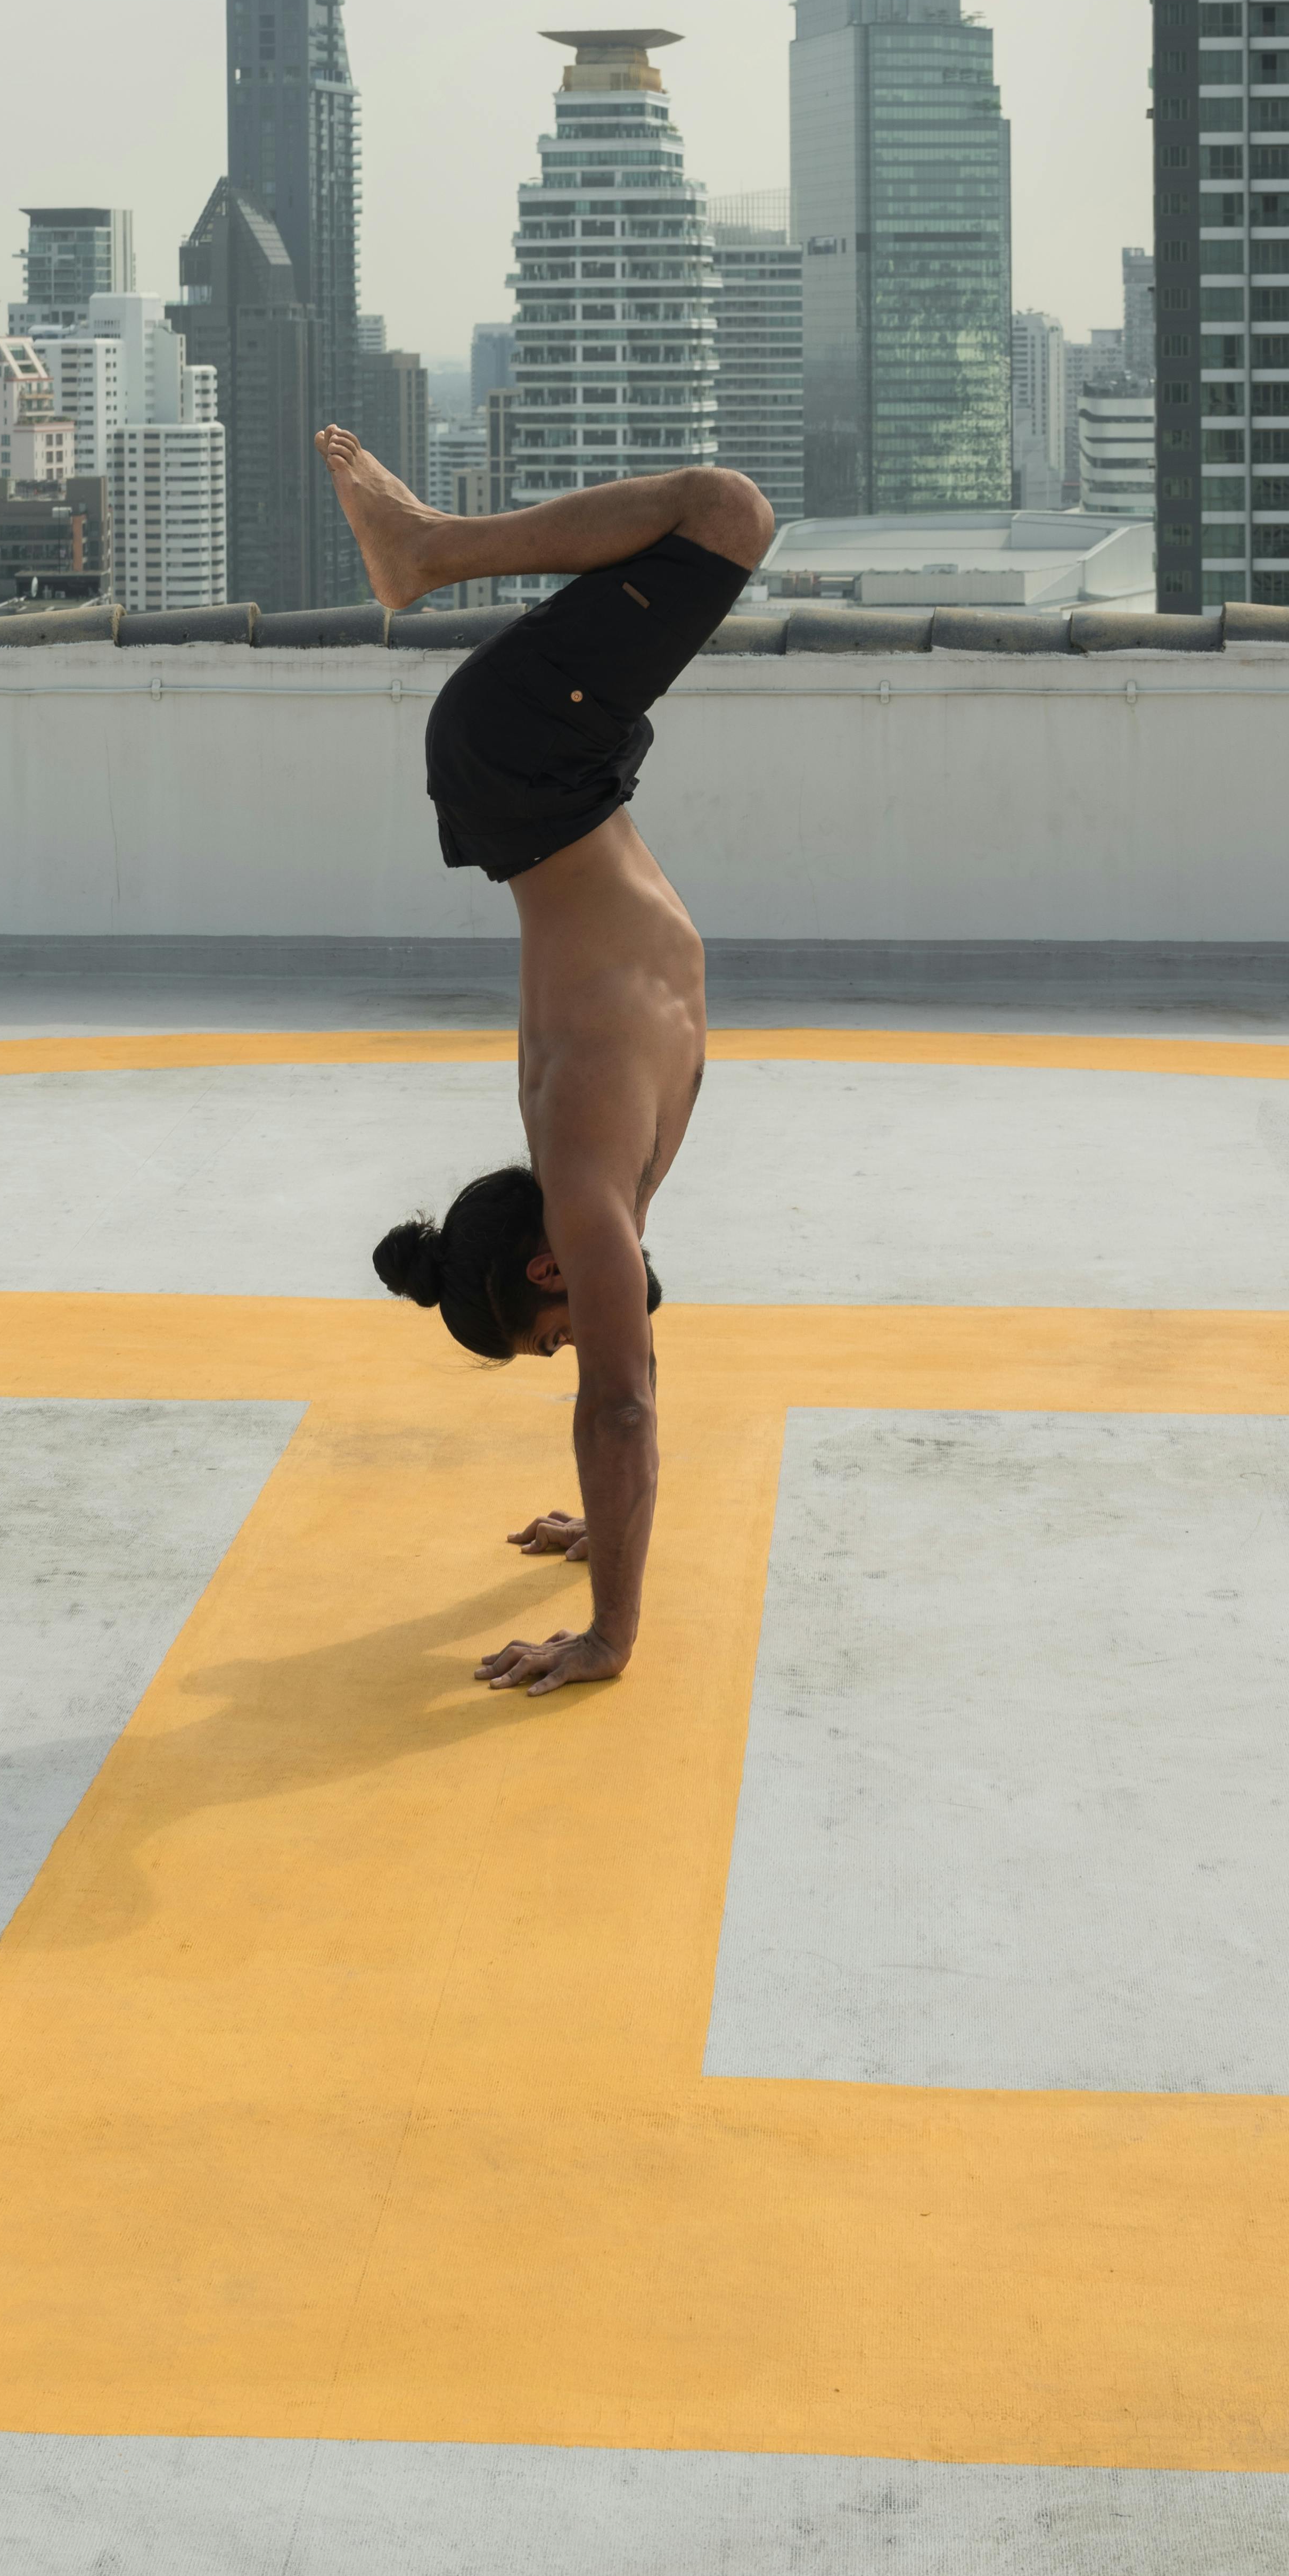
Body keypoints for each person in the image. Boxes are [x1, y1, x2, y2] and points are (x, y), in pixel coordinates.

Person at [315, 425, 776, 1699]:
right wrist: (603, 1525)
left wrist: (608, 1636)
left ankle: (425, 550)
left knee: (725, 510)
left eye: (549, 1334)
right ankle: (423, 549)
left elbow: (620, 1406)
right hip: (533, 781)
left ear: (543, 1268)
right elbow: (628, 1385)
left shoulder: (582, 1179)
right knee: (718, 516)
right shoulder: (596, 1190)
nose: (581, 1343)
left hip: (527, 761)